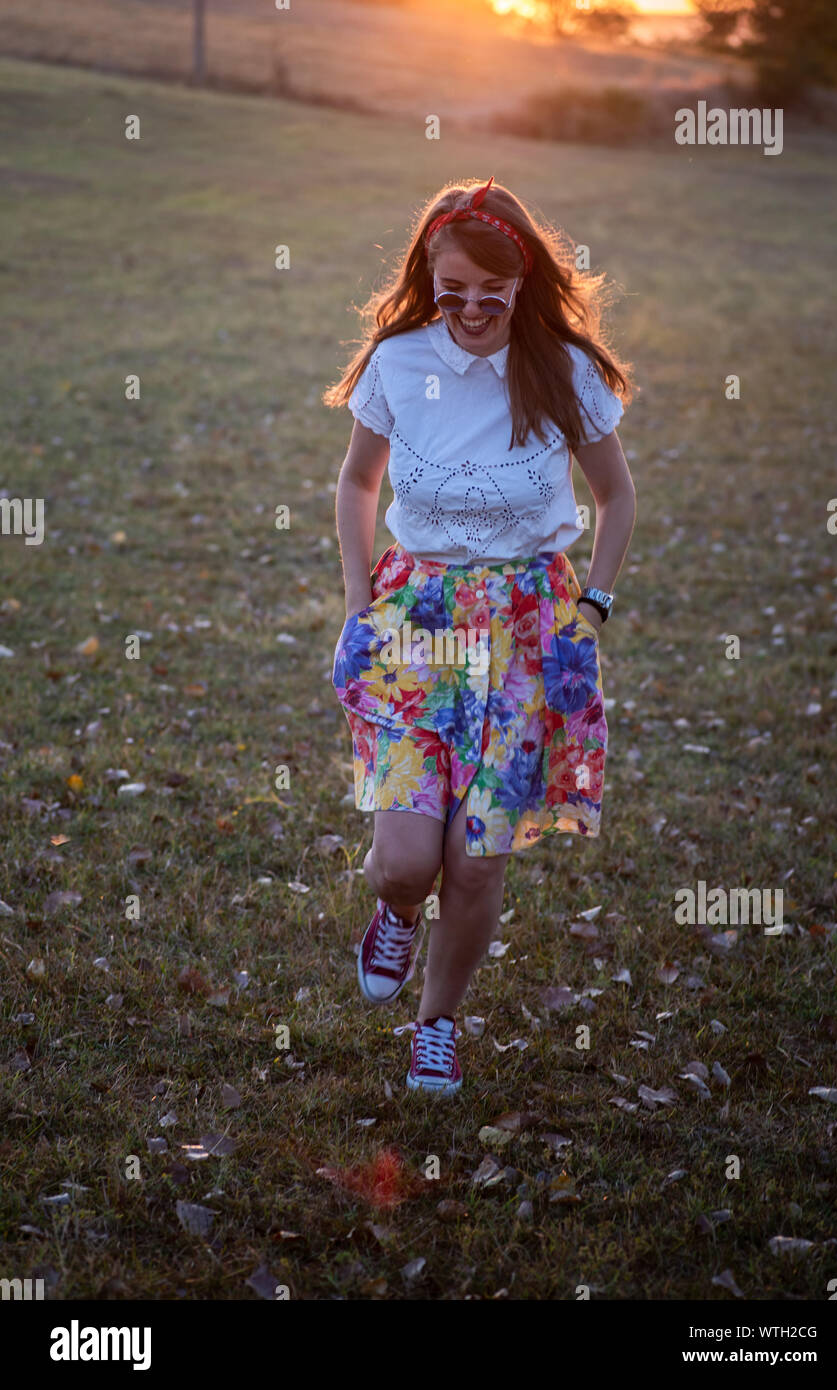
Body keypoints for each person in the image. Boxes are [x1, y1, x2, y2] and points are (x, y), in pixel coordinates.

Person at [323, 177, 636, 1097]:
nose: (468, 309)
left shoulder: (564, 369)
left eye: (488, 293)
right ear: (429, 274)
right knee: (409, 861)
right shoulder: (396, 361)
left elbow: (616, 499)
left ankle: (437, 1025)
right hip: (415, 622)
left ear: (521, 279)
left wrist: (594, 611)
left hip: (529, 632)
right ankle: (390, 912)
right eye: (450, 288)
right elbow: (355, 485)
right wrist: (355, 603)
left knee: (479, 858)